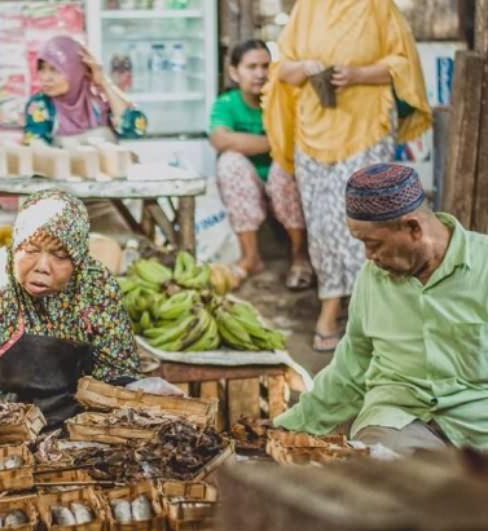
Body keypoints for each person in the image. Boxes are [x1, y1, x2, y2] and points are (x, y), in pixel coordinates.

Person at [274, 164, 488, 453]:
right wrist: (289, 426)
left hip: (478, 425)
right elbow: (350, 369)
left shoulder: (483, 266)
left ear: (413, 228)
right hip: (398, 419)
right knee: (373, 478)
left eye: (373, 244)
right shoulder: (372, 280)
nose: (368, 256)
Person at [263, 0, 431, 352]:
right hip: (314, 133)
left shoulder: (377, 6)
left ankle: (371, 316)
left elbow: (404, 65)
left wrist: (358, 75)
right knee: (324, 226)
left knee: (371, 225)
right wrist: (307, 67)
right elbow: (282, 70)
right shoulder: (306, 9)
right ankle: (330, 308)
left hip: (366, 128)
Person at [0, 190, 141, 425]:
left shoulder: (95, 286)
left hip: (68, 425)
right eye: (30, 250)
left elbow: (115, 371)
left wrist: (136, 388)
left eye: (60, 256)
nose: (42, 266)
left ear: (78, 259)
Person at [209, 39, 312, 290]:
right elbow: (220, 139)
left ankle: (299, 257)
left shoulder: (285, 99)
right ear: (234, 72)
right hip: (249, 182)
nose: (260, 74)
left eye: (266, 66)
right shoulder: (227, 103)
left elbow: (299, 143)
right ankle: (251, 257)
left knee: (282, 171)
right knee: (230, 163)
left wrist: (248, 142)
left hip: (284, 181)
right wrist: (275, 142)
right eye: (251, 67)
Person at [24, 35, 147, 147]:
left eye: (54, 70)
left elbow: (136, 129)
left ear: (75, 71)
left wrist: (104, 82)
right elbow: (35, 146)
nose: (46, 78)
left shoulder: (99, 100)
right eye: (41, 69)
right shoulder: (40, 105)